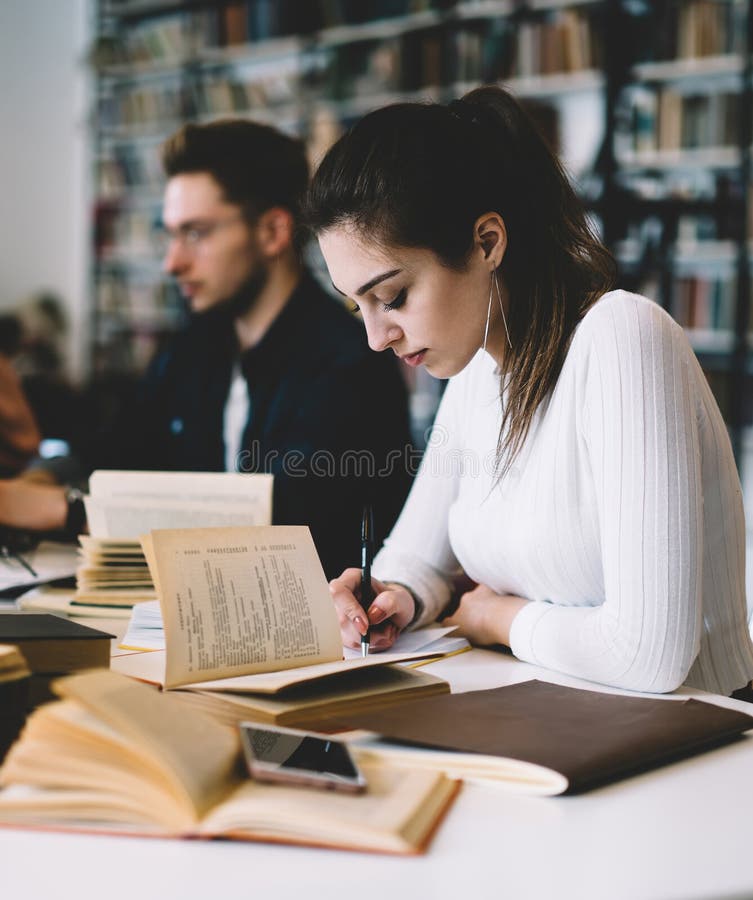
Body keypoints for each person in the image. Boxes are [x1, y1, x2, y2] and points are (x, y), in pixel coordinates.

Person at [307, 85, 753, 696]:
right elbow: (418, 559)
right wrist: (391, 600)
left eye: (393, 296)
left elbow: (650, 655)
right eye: (358, 306)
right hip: (554, 718)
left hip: (696, 740)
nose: (376, 338)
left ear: (487, 242)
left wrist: (497, 617)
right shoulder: (472, 369)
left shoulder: (623, 337)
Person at [0, 119, 413, 578]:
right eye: (171, 235)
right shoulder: (195, 345)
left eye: (196, 233)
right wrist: (46, 477)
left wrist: (70, 509)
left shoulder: (349, 362)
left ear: (273, 232)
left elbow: (285, 526)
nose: (171, 262)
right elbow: (120, 449)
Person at [0, 315, 40, 478]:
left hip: (14, 460)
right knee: (66, 464)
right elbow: (22, 437)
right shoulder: (3, 369)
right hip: (11, 463)